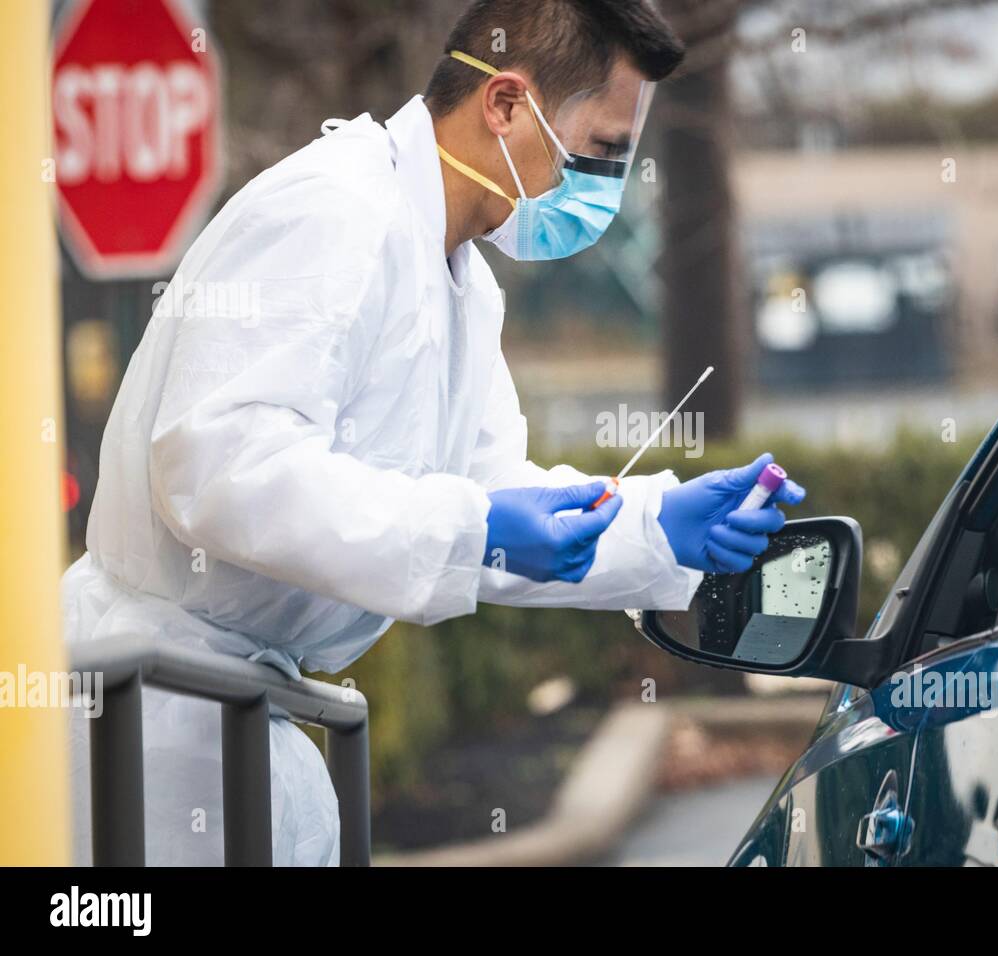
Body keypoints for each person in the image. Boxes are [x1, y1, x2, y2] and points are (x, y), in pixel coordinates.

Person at [63, 0, 804, 865]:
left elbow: (488, 494)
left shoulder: (456, 276)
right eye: (598, 152)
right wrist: (475, 530)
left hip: (230, 721)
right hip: (154, 728)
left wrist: (656, 524)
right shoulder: (333, 211)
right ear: (504, 104)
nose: (604, 186)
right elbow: (218, 461)